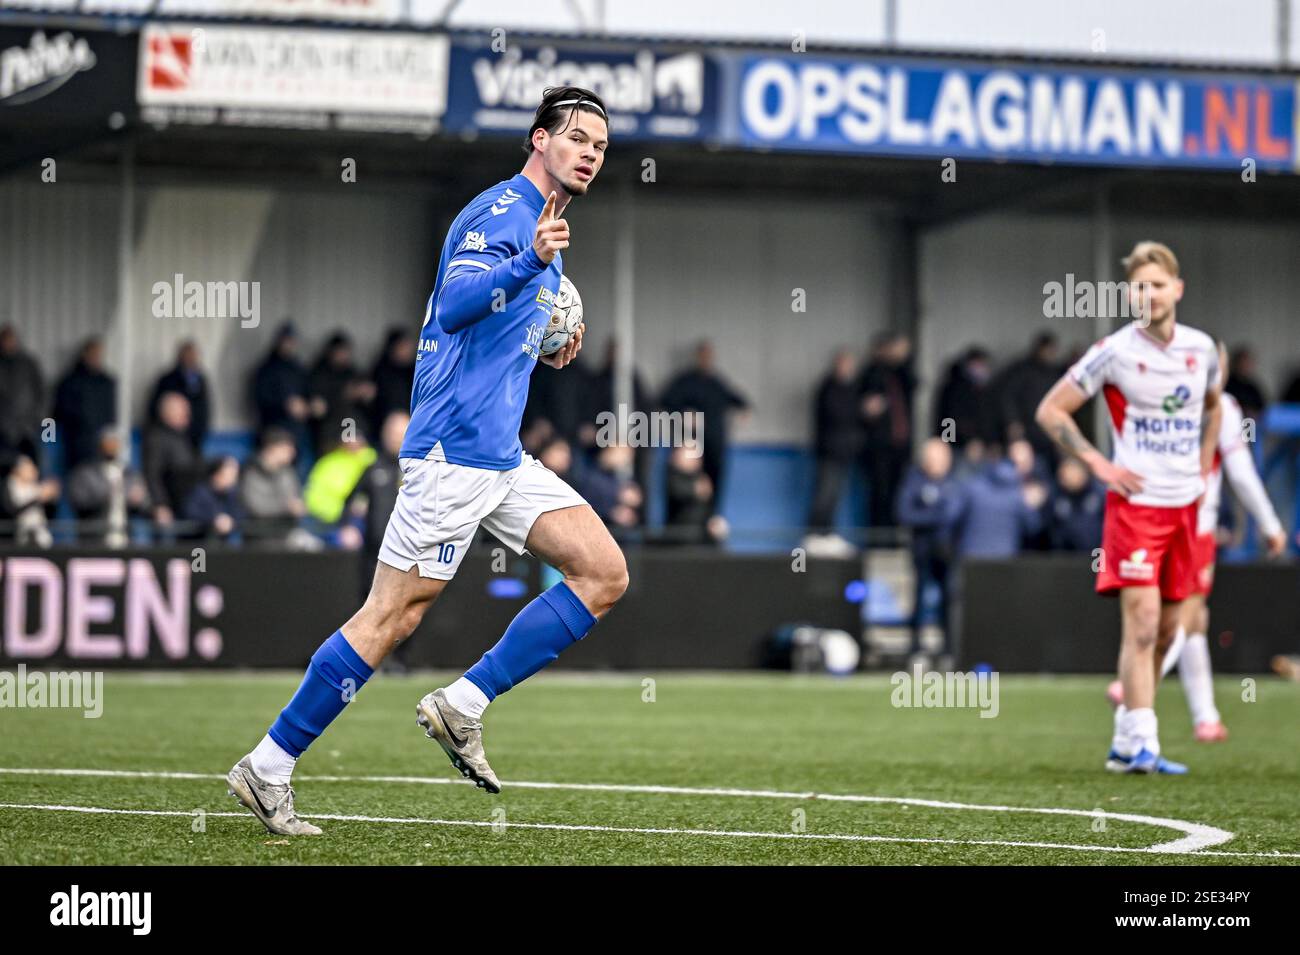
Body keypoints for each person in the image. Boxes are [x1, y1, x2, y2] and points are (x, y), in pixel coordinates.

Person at [225, 86, 627, 836]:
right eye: (577, 139)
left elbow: (497, 330)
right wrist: (525, 268)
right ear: (539, 139)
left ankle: (463, 703)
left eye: (600, 147)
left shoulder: (544, 233)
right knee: (390, 617)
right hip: (451, 454)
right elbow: (453, 303)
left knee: (603, 571)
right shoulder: (504, 212)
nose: (590, 154)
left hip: (500, 456)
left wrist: (549, 332)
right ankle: (268, 764)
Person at [1036, 241, 1221, 775]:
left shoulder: (1202, 349)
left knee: (1168, 632)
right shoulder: (1114, 351)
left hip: (1184, 507)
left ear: (1177, 290)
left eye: (1158, 285)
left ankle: (1125, 744)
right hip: (1136, 507)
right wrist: (1098, 463)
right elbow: (1051, 411)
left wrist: (1204, 469)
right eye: (1139, 286)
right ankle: (1144, 742)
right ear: (1129, 294)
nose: (1149, 294)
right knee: (1140, 625)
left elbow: (1213, 408)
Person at [1115, 342, 1287, 742]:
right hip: (1194, 523)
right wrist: (1270, 524)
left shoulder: (1159, 397)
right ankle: (1132, 690)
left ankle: (1204, 716)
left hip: (1146, 519)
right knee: (1185, 617)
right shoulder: (1223, 407)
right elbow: (1241, 473)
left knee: (1190, 619)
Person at [660, 340, 749, 514]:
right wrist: (685, 413)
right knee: (683, 490)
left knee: (713, 487)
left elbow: (735, 398)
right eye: (703, 355)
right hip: (690, 448)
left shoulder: (716, 382)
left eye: (709, 356)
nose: (706, 360)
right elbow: (665, 401)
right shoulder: (685, 381)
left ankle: (711, 521)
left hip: (713, 448)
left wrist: (744, 409)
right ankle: (678, 530)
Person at [896, 438, 960, 666]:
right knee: (919, 599)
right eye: (932, 458)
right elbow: (905, 514)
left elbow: (955, 515)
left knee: (949, 601)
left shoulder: (955, 483)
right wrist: (937, 516)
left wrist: (930, 515)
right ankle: (916, 650)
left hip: (947, 553)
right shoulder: (914, 480)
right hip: (922, 552)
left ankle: (949, 651)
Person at [804, 348, 863, 556]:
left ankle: (827, 535)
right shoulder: (828, 387)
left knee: (835, 495)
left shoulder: (850, 388)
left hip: (844, 452)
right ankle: (814, 536)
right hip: (829, 451)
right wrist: (861, 409)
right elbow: (837, 415)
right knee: (824, 494)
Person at [860, 332, 915, 529]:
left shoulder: (900, 373)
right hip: (878, 446)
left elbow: (914, 383)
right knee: (879, 493)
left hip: (901, 444)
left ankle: (894, 537)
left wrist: (904, 358)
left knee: (899, 493)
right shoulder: (871, 373)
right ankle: (878, 539)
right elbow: (863, 407)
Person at [66, 428, 148, 548]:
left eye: (115, 442)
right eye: (108, 442)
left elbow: (145, 505)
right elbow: (79, 502)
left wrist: (138, 501)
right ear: (100, 445)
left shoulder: (130, 474)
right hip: (94, 541)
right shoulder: (85, 473)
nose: (112, 446)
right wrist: (111, 492)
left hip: (125, 540)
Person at [142, 392, 203, 535]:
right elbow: (152, 474)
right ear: (167, 412)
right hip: (171, 509)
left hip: (188, 507)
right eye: (183, 412)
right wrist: (160, 504)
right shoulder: (156, 439)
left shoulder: (183, 437)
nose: (187, 416)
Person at [52, 338, 116, 473]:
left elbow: (111, 416)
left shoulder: (107, 382)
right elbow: (58, 413)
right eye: (93, 354)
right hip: (75, 441)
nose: (96, 358)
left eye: (98, 354)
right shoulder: (69, 381)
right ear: (84, 354)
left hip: (101, 441)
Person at [239, 427, 307, 544]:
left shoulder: (288, 473)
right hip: (259, 534)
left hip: (287, 531)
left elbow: (295, 499)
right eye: (287, 449)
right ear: (272, 448)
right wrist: (287, 507)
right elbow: (256, 507)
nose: (293, 453)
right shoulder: (251, 472)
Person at [150, 340, 210, 451]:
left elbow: (205, 408)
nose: (191, 358)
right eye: (187, 354)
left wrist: (201, 431)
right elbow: (154, 408)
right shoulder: (167, 380)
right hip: (171, 438)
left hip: (195, 438)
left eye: (193, 355)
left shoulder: (201, 380)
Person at [0, 324, 46, 465]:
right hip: (3, 431)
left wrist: (36, 419)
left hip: (27, 429)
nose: (8, 343)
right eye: (5, 339)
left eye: (11, 339)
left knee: (31, 468)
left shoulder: (28, 363)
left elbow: (42, 393)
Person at [183, 456, 243, 542]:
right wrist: (213, 520)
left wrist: (231, 520)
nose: (234, 479)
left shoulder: (233, 494)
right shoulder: (200, 492)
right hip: (198, 545)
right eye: (230, 474)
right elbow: (190, 512)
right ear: (216, 474)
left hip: (223, 545)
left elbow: (241, 513)